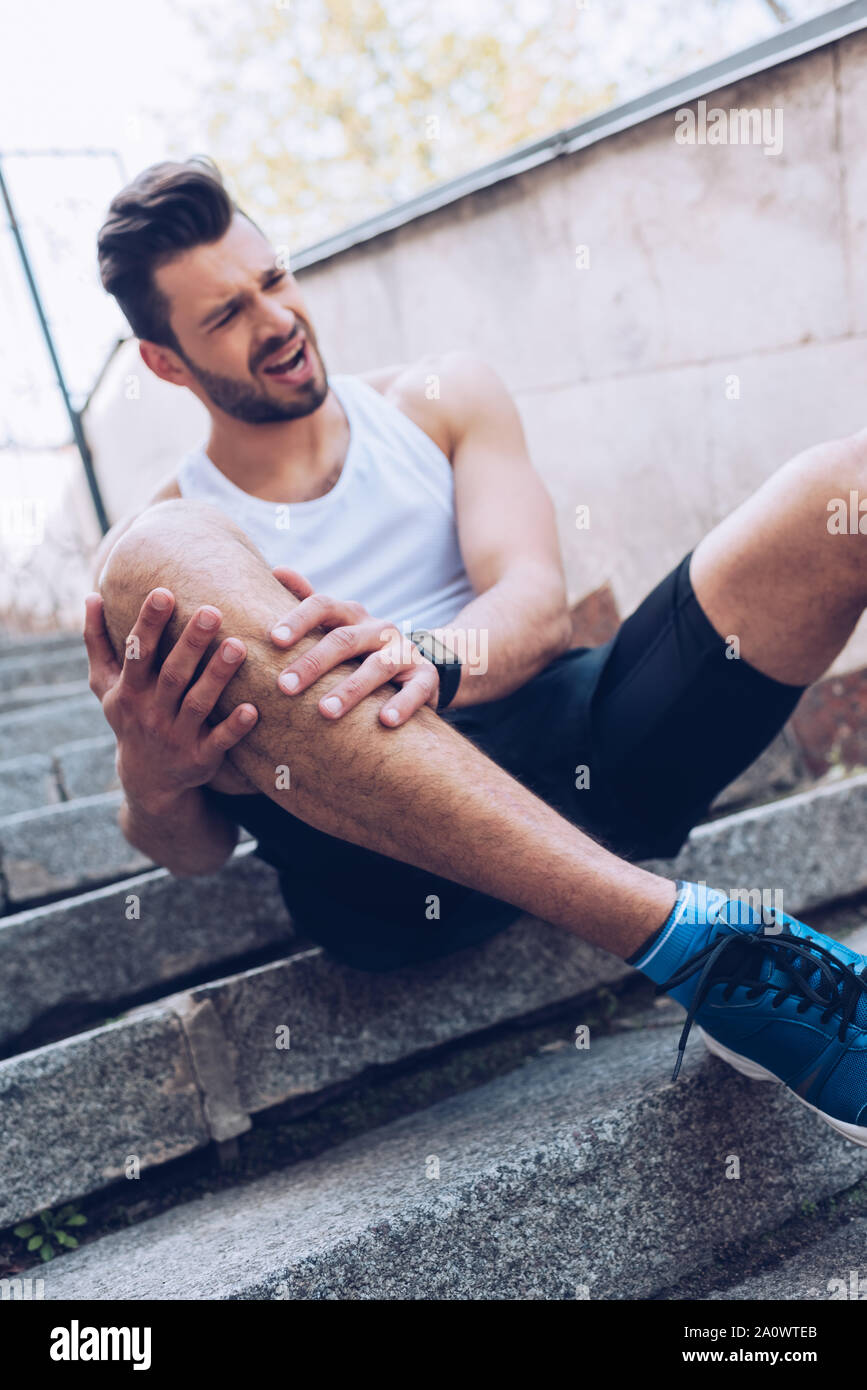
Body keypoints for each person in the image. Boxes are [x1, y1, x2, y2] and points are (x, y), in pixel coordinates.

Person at [84, 157, 867, 1144]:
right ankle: (703, 946)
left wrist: (428, 655)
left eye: (273, 280)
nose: (275, 320)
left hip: (571, 750)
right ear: (166, 362)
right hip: (376, 853)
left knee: (850, 485)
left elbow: (538, 604)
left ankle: (701, 953)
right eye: (226, 316)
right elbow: (191, 851)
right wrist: (154, 779)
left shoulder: (438, 397)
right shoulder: (173, 532)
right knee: (144, 555)